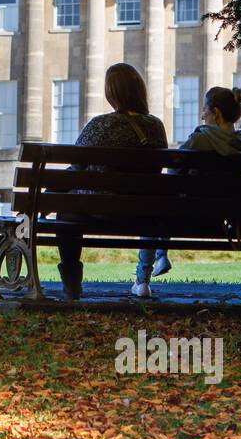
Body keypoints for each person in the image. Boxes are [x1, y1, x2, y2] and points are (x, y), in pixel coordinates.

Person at [57, 63, 167, 300]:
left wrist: (48, 194)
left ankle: (72, 284)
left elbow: (75, 169)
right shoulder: (155, 127)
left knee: (65, 213)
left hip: (97, 210)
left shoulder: (99, 125)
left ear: (111, 93)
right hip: (141, 212)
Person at [143, 86, 241, 289]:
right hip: (224, 219)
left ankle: (158, 257)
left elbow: (172, 173)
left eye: (205, 110)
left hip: (190, 216)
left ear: (216, 113)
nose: (202, 115)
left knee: (158, 199)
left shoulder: (199, 140)